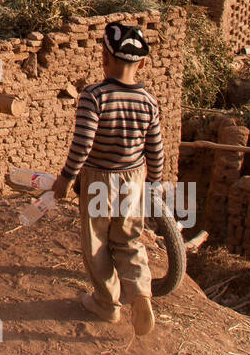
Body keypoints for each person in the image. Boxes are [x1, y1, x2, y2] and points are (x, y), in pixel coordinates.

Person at [52, 22, 165, 337]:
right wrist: (152, 183)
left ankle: (106, 302)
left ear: (104, 57)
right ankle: (141, 293)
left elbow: (83, 145)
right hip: (133, 178)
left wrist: (65, 178)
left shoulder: (94, 96)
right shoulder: (148, 100)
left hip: (101, 178)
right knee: (128, 240)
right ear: (142, 63)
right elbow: (155, 150)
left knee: (98, 242)